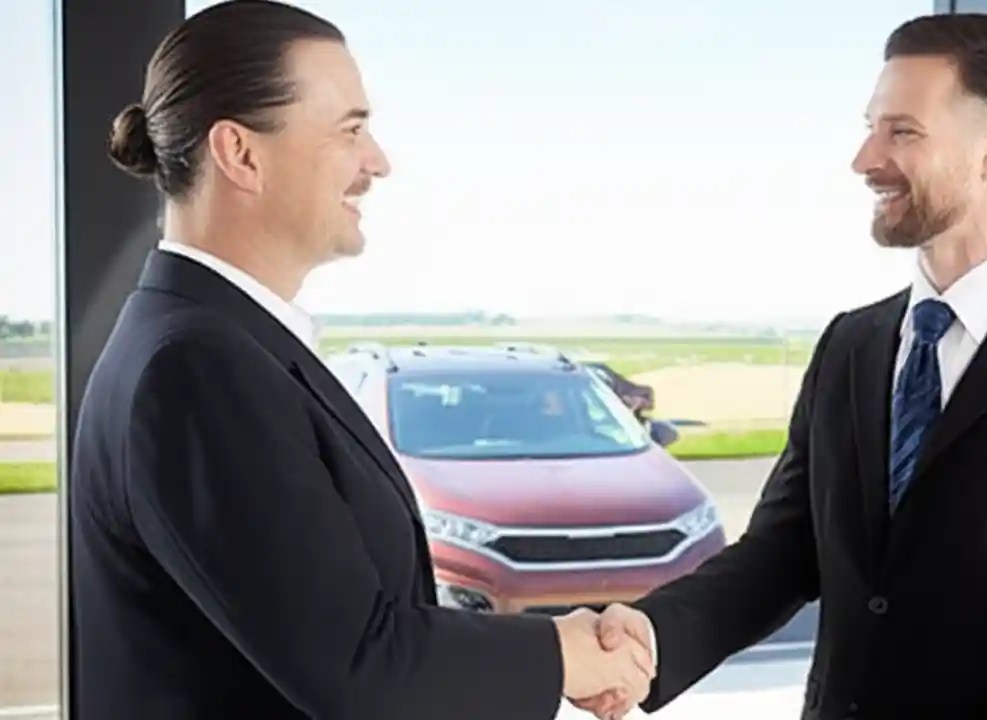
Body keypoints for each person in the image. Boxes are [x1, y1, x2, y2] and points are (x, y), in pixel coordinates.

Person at [580, 12, 987, 720]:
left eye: (901, 132)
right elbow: (784, 552)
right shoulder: (850, 346)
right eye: (870, 127)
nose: (864, 159)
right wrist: (653, 636)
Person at [71, 1, 652, 718]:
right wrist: (565, 653)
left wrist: (557, 645)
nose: (377, 162)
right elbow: (355, 664)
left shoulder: (216, 340)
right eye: (351, 130)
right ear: (241, 154)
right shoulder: (196, 367)